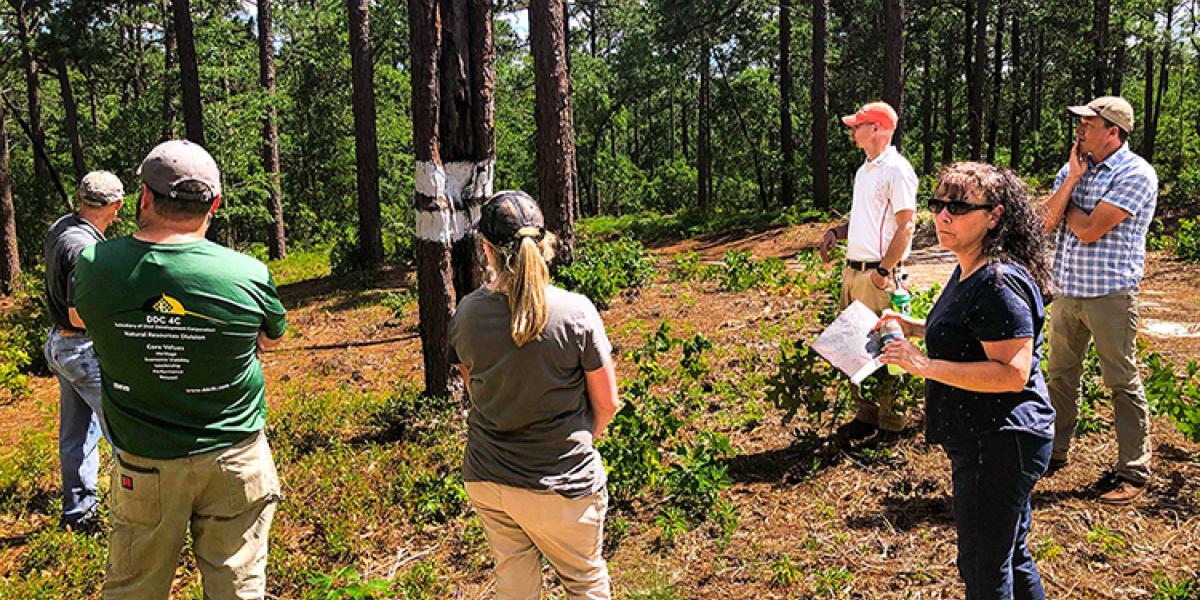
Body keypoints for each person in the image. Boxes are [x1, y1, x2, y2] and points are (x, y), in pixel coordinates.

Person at [74, 140, 287, 599]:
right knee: (237, 587)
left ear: (144, 198)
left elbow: (83, 318)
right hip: (235, 455)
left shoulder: (94, 265)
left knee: (134, 588)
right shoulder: (247, 273)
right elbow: (270, 337)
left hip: (144, 462)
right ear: (213, 203)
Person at [878, 162, 1056, 599]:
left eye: (958, 207)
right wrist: (915, 326)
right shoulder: (969, 267)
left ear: (994, 216)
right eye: (938, 204)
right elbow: (972, 334)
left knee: (982, 567)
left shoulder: (997, 281)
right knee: (1010, 554)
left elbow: (1012, 374)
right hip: (992, 437)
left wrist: (924, 365)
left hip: (998, 440)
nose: (943, 216)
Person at [449, 190, 620, 599]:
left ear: (485, 249)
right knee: (585, 583)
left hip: (489, 480)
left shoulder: (467, 316)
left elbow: (476, 391)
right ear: (544, 245)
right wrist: (573, 444)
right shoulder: (576, 313)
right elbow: (608, 403)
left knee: (516, 586)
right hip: (564, 486)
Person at [1039, 96, 1158, 504]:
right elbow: (1044, 222)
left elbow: (1089, 230)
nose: (1080, 130)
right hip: (1067, 291)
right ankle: (1053, 452)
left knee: (1121, 381)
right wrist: (1071, 181)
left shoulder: (1135, 173)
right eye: (1081, 123)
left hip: (1110, 295)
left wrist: (1066, 198)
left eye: (1088, 124)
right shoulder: (1074, 168)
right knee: (1059, 375)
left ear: (1113, 132)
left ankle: (1133, 470)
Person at [818, 100, 919, 445]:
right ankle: (866, 414)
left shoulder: (897, 170)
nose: (852, 130)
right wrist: (837, 232)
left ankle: (892, 423)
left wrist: (884, 270)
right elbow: (866, 219)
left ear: (876, 128)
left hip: (878, 275)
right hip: (854, 272)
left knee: (888, 346)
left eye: (858, 125)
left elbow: (906, 225)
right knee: (854, 346)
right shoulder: (865, 170)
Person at [43, 171, 125, 530]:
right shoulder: (85, 249)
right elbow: (79, 313)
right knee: (122, 431)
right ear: (117, 206)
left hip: (60, 346)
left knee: (77, 432)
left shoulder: (63, 227)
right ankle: (137, 514)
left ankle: (78, 515)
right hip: (81, 347)